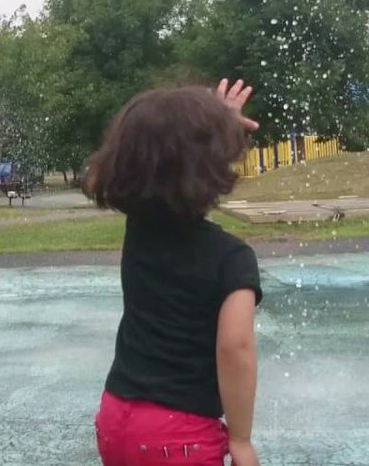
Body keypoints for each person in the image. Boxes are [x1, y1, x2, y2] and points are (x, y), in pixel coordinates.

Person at [84, 79, 263, 466]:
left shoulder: (139, 229)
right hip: (178, 438)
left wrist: (217, 123)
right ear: (216, 163)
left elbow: (165, 160)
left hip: (115, 417)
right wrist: (242, 439)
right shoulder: (232, 259)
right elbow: (236, 348)